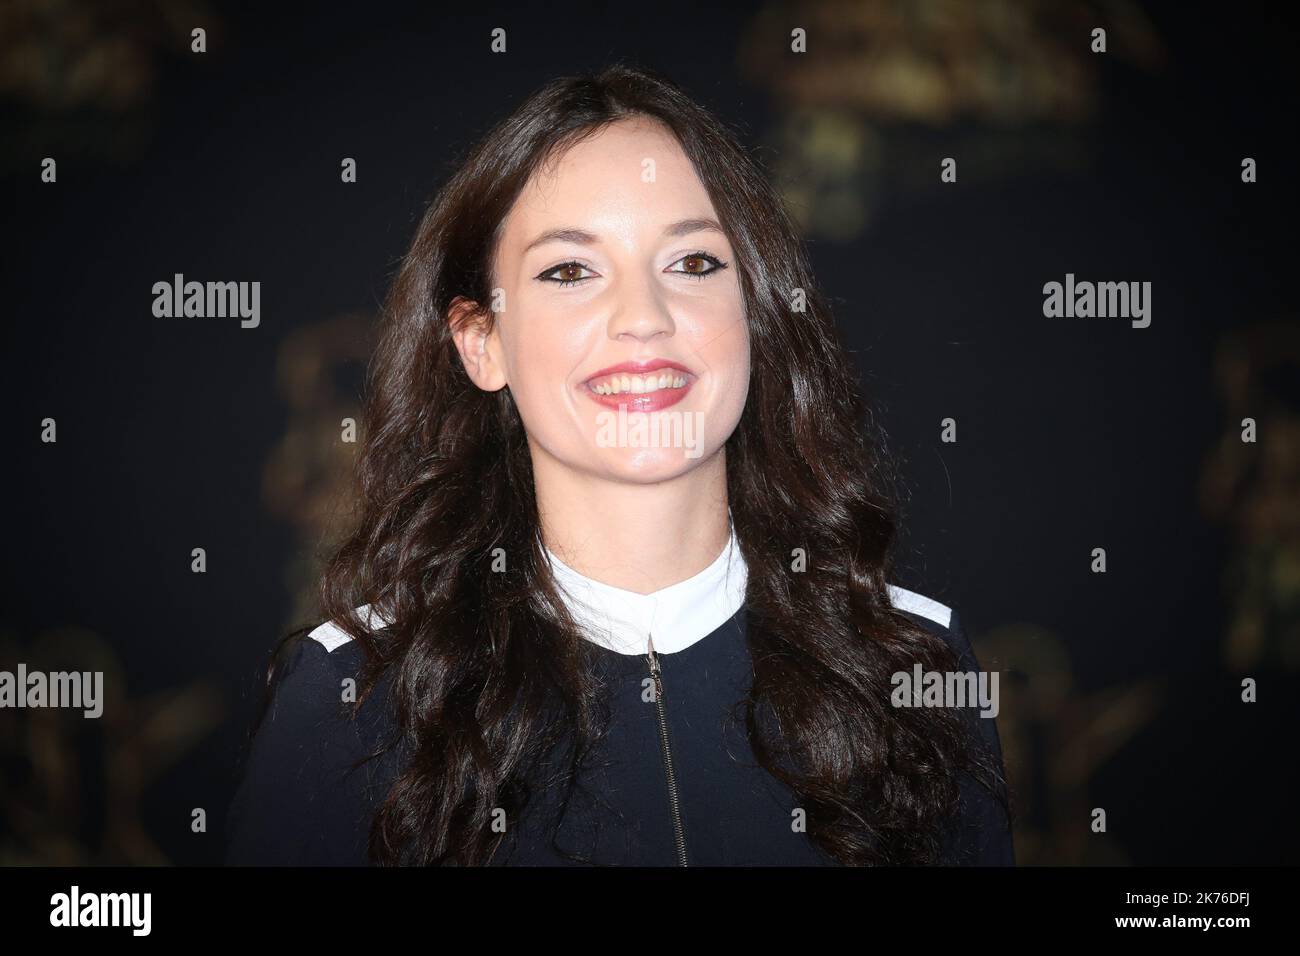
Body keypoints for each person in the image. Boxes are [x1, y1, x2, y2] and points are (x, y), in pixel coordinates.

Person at [225, 63, 1014, 867]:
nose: (643, 318)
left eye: (694, 263)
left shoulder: (912, 661)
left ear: (758, 314)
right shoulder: (347, 700)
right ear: (480, 341)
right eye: (569, 271)